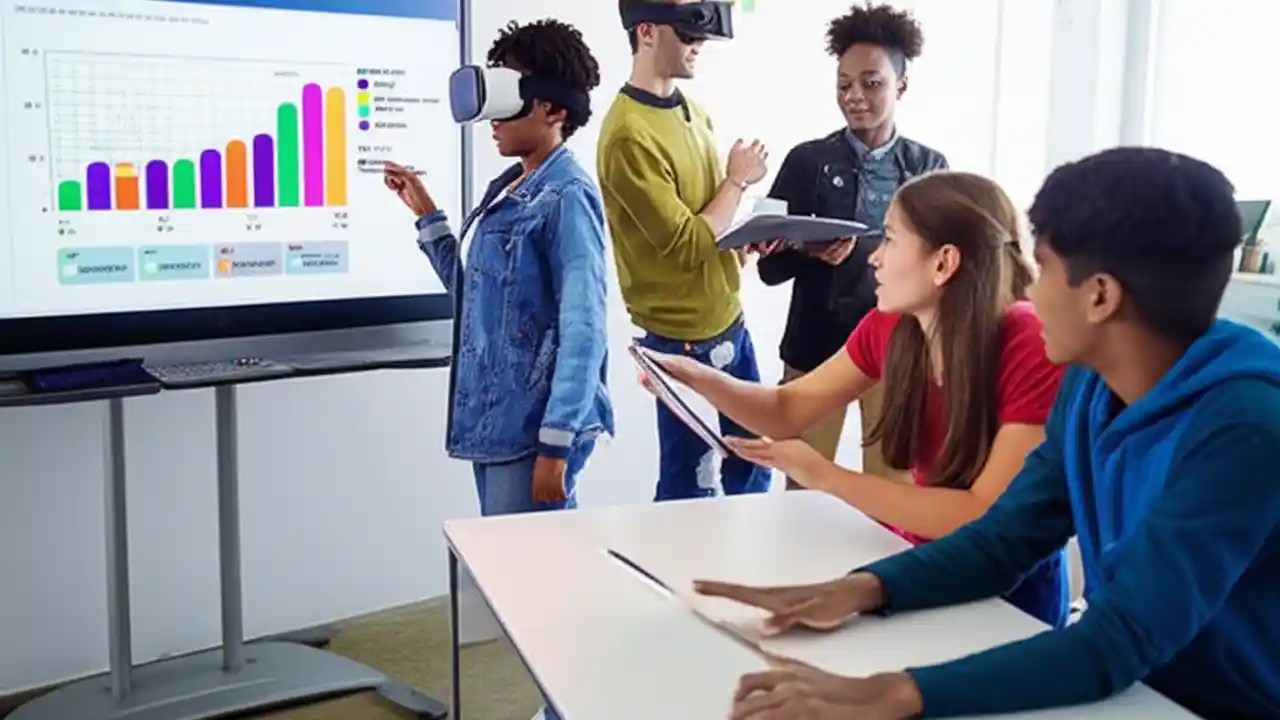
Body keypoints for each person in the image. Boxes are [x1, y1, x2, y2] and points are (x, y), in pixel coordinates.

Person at [695, 147, 1280, 719]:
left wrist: (893, 694)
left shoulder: (1245, 425)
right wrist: (859, 589)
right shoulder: (1091, 383)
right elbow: (1004, 540)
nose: (1030, 289)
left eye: (1045, 269)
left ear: (1100, 296)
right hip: (1135, 692)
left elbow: (1118, 638)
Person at [642, 171, 1070, 627]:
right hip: (922, 565)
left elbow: (981, 514)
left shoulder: (1029, 341)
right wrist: (698, 378)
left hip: (1011, 596)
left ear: (943, 262)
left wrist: (825, 476)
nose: (874, 259)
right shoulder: (892, 327)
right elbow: (786, 410)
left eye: (890, 240)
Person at [383, 19, 611, 521]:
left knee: (530, 566)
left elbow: (585, 327)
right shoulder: (507, 191)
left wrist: (556, 442)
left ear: (553, 109)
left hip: (534, 430)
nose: (493, 118)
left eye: (508, 95)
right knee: (514, 561)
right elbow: (479, 301)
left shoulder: (567, 196)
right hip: (496, 424)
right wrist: (427, 215)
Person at [758, 2, 947, 488]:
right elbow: (767, 268)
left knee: (895, 490)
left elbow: (945, 272)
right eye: (844, 84)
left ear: (901, 86)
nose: (854, 96)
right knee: (800, 490)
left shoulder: (929, 168)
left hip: (897, 353)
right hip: (815, 349)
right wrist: (808, 251)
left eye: (871, 82)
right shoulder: (806, 161)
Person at [598, 0, 773, 501]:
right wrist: (737, 181)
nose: (699, 43)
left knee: (756, 465)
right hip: (681, 342)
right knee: (689, 485)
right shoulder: (628, 136)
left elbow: (711, 226)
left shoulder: (695, 114)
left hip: (728, 323)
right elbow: (684, 245)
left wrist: (746, 242)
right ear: (646, 31)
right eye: (688, 31)